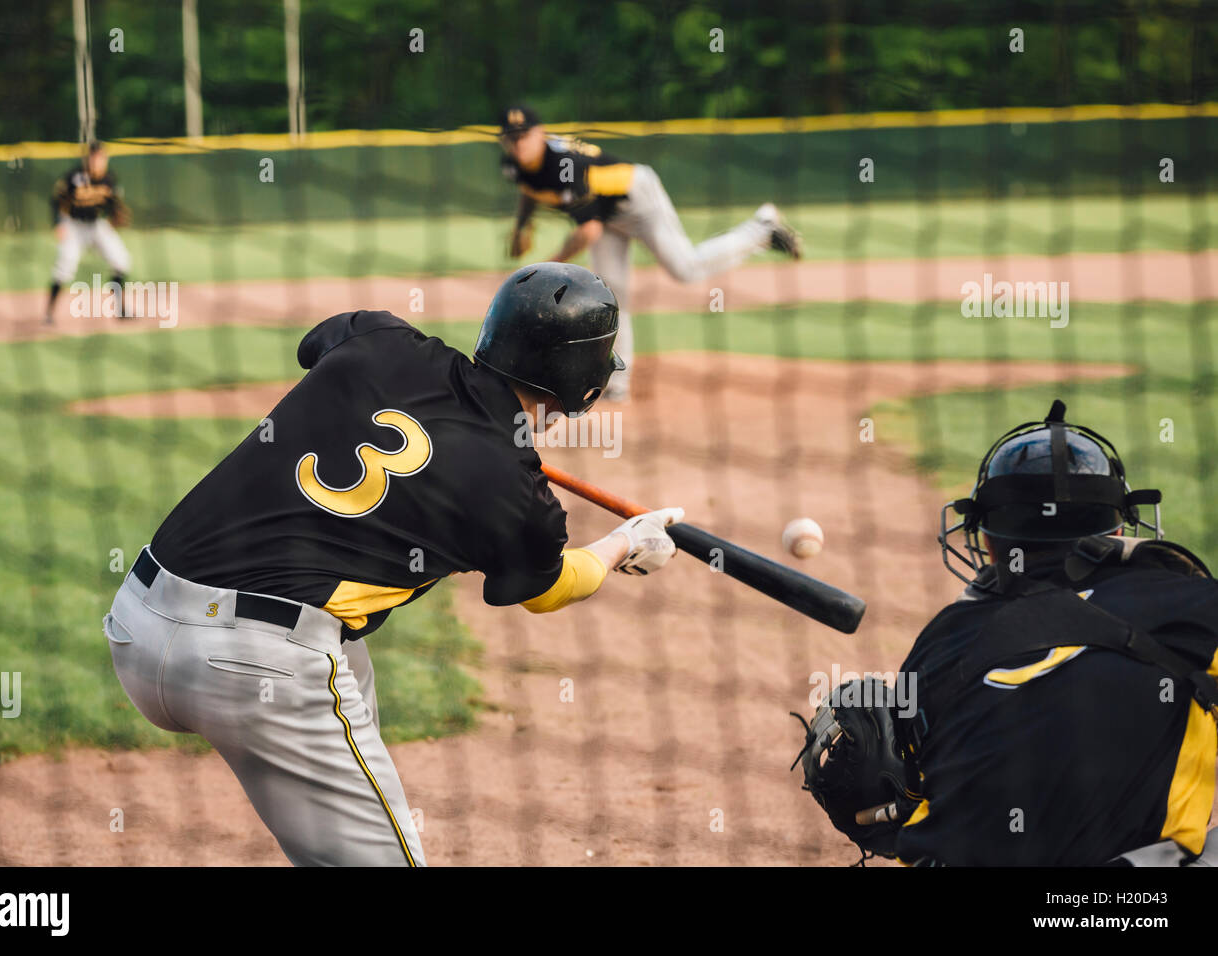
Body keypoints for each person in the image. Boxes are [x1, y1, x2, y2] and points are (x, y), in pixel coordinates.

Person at [103, 262, 685, 866]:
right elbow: (550, 587)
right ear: (583, 381)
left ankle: (350, 806)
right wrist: (625, 543)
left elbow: (319, 343)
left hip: (135, 625)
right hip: (250, 672)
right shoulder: (514, 494)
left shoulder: (381, 339)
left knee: (348, 660)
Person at [794, 400, 1218, 866]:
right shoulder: (1195, 609)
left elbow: (902, 805)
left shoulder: (942, 642)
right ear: (1120, 529)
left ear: (987, 541)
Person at [497, 105, 802, 401]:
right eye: (512, 138)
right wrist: (522, 227)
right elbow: (529, 187)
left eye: (524, 136)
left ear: (540, 133)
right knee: (610, 296)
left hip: (637, 199)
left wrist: (549, 265)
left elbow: (588, 231)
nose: (519, 144)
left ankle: (762, 229)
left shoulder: (564, 164)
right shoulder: (512, 165)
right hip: (607, 215)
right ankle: (616, 383)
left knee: (686, 268)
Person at [44, 141, 132, 324]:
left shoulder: (109, 178)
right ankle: (49, 313)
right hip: (74, 226)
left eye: (101, 158)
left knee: (122, 261)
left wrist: (117, 215)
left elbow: (113, 203)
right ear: (88, 159)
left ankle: (120, 310)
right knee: (65, 266)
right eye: (94, 158)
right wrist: (58, 223)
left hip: (97, 225)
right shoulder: (74, 176)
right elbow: (56, 199)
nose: (98, 162)